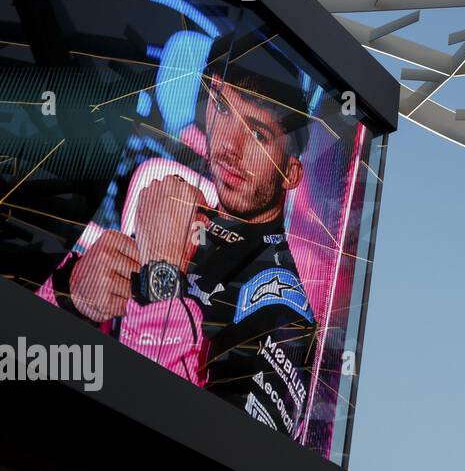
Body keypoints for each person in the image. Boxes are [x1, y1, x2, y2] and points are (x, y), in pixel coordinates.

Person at [52, 66, 317, 438]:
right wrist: (71, 292)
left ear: (290, 174)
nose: (230, 146)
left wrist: (160, 282)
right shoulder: (185, 211)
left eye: (258, 135)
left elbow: (217, 454)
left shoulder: (281, 302)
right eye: (224, 110)